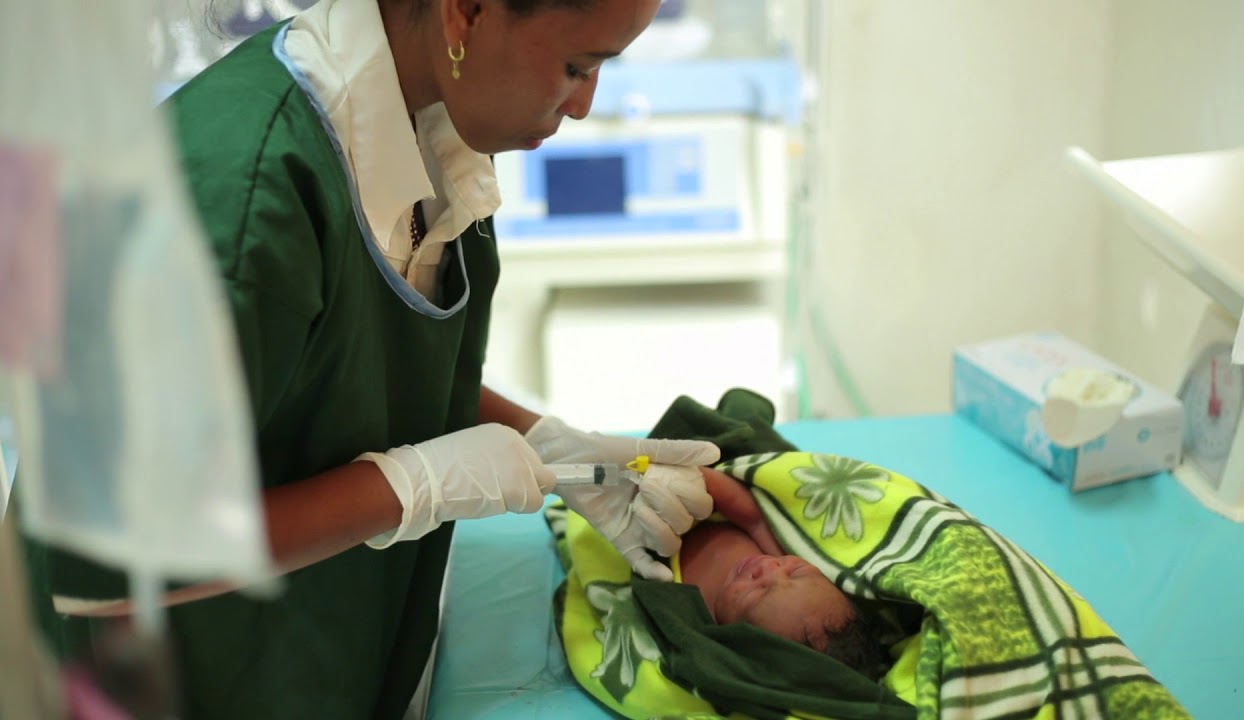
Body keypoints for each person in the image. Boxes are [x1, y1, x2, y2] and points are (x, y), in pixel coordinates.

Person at [20, 1, 720, 719]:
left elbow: (352, 362)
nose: (581, 106)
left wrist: (550, 444)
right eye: (577, 67)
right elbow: (104, 562)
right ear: (466, 13)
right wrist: (413, 486)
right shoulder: (240, 201)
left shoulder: (433, 128)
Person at [678, 468, 890, 678]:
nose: (768, 568)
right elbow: (753, 518)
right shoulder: (777, 553)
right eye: (797, 571)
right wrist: (699, 479)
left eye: (757, 593)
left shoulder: (692, 620)